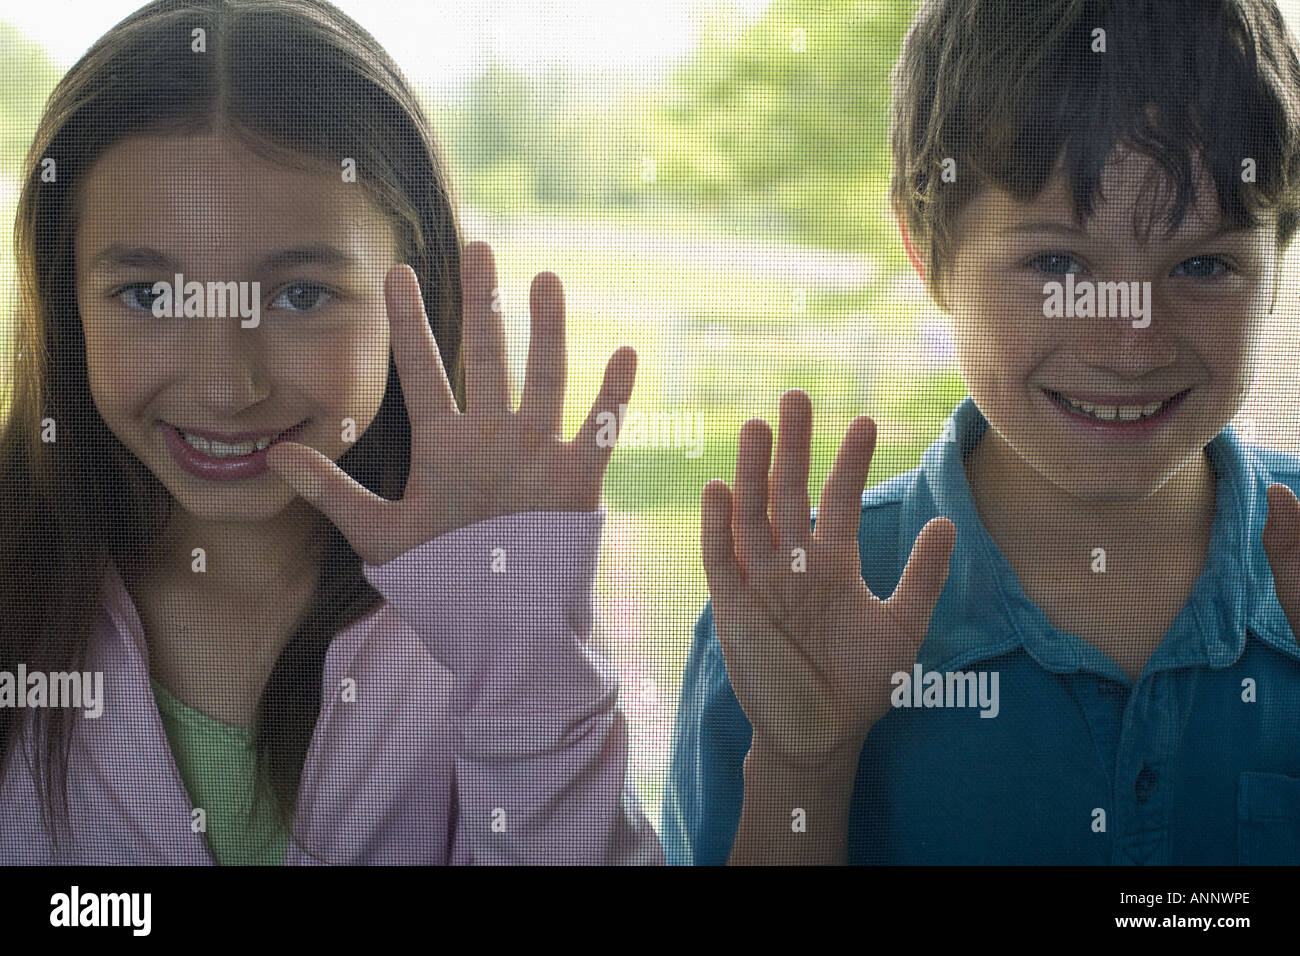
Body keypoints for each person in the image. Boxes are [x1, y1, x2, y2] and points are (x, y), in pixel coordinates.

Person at [0, 0, 662, 865]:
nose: (225, 385)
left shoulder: (489, 605)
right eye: (149, 297)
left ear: (414, 294)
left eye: (301, 295)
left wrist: (525, 672)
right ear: (64, 301)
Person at [663, 0, 1300, 865]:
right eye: (1056, 264)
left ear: (1275, 269)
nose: (1130, 338)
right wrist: (803, 761)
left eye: (1202, 265)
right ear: (927, 256)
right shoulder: (792, 611)